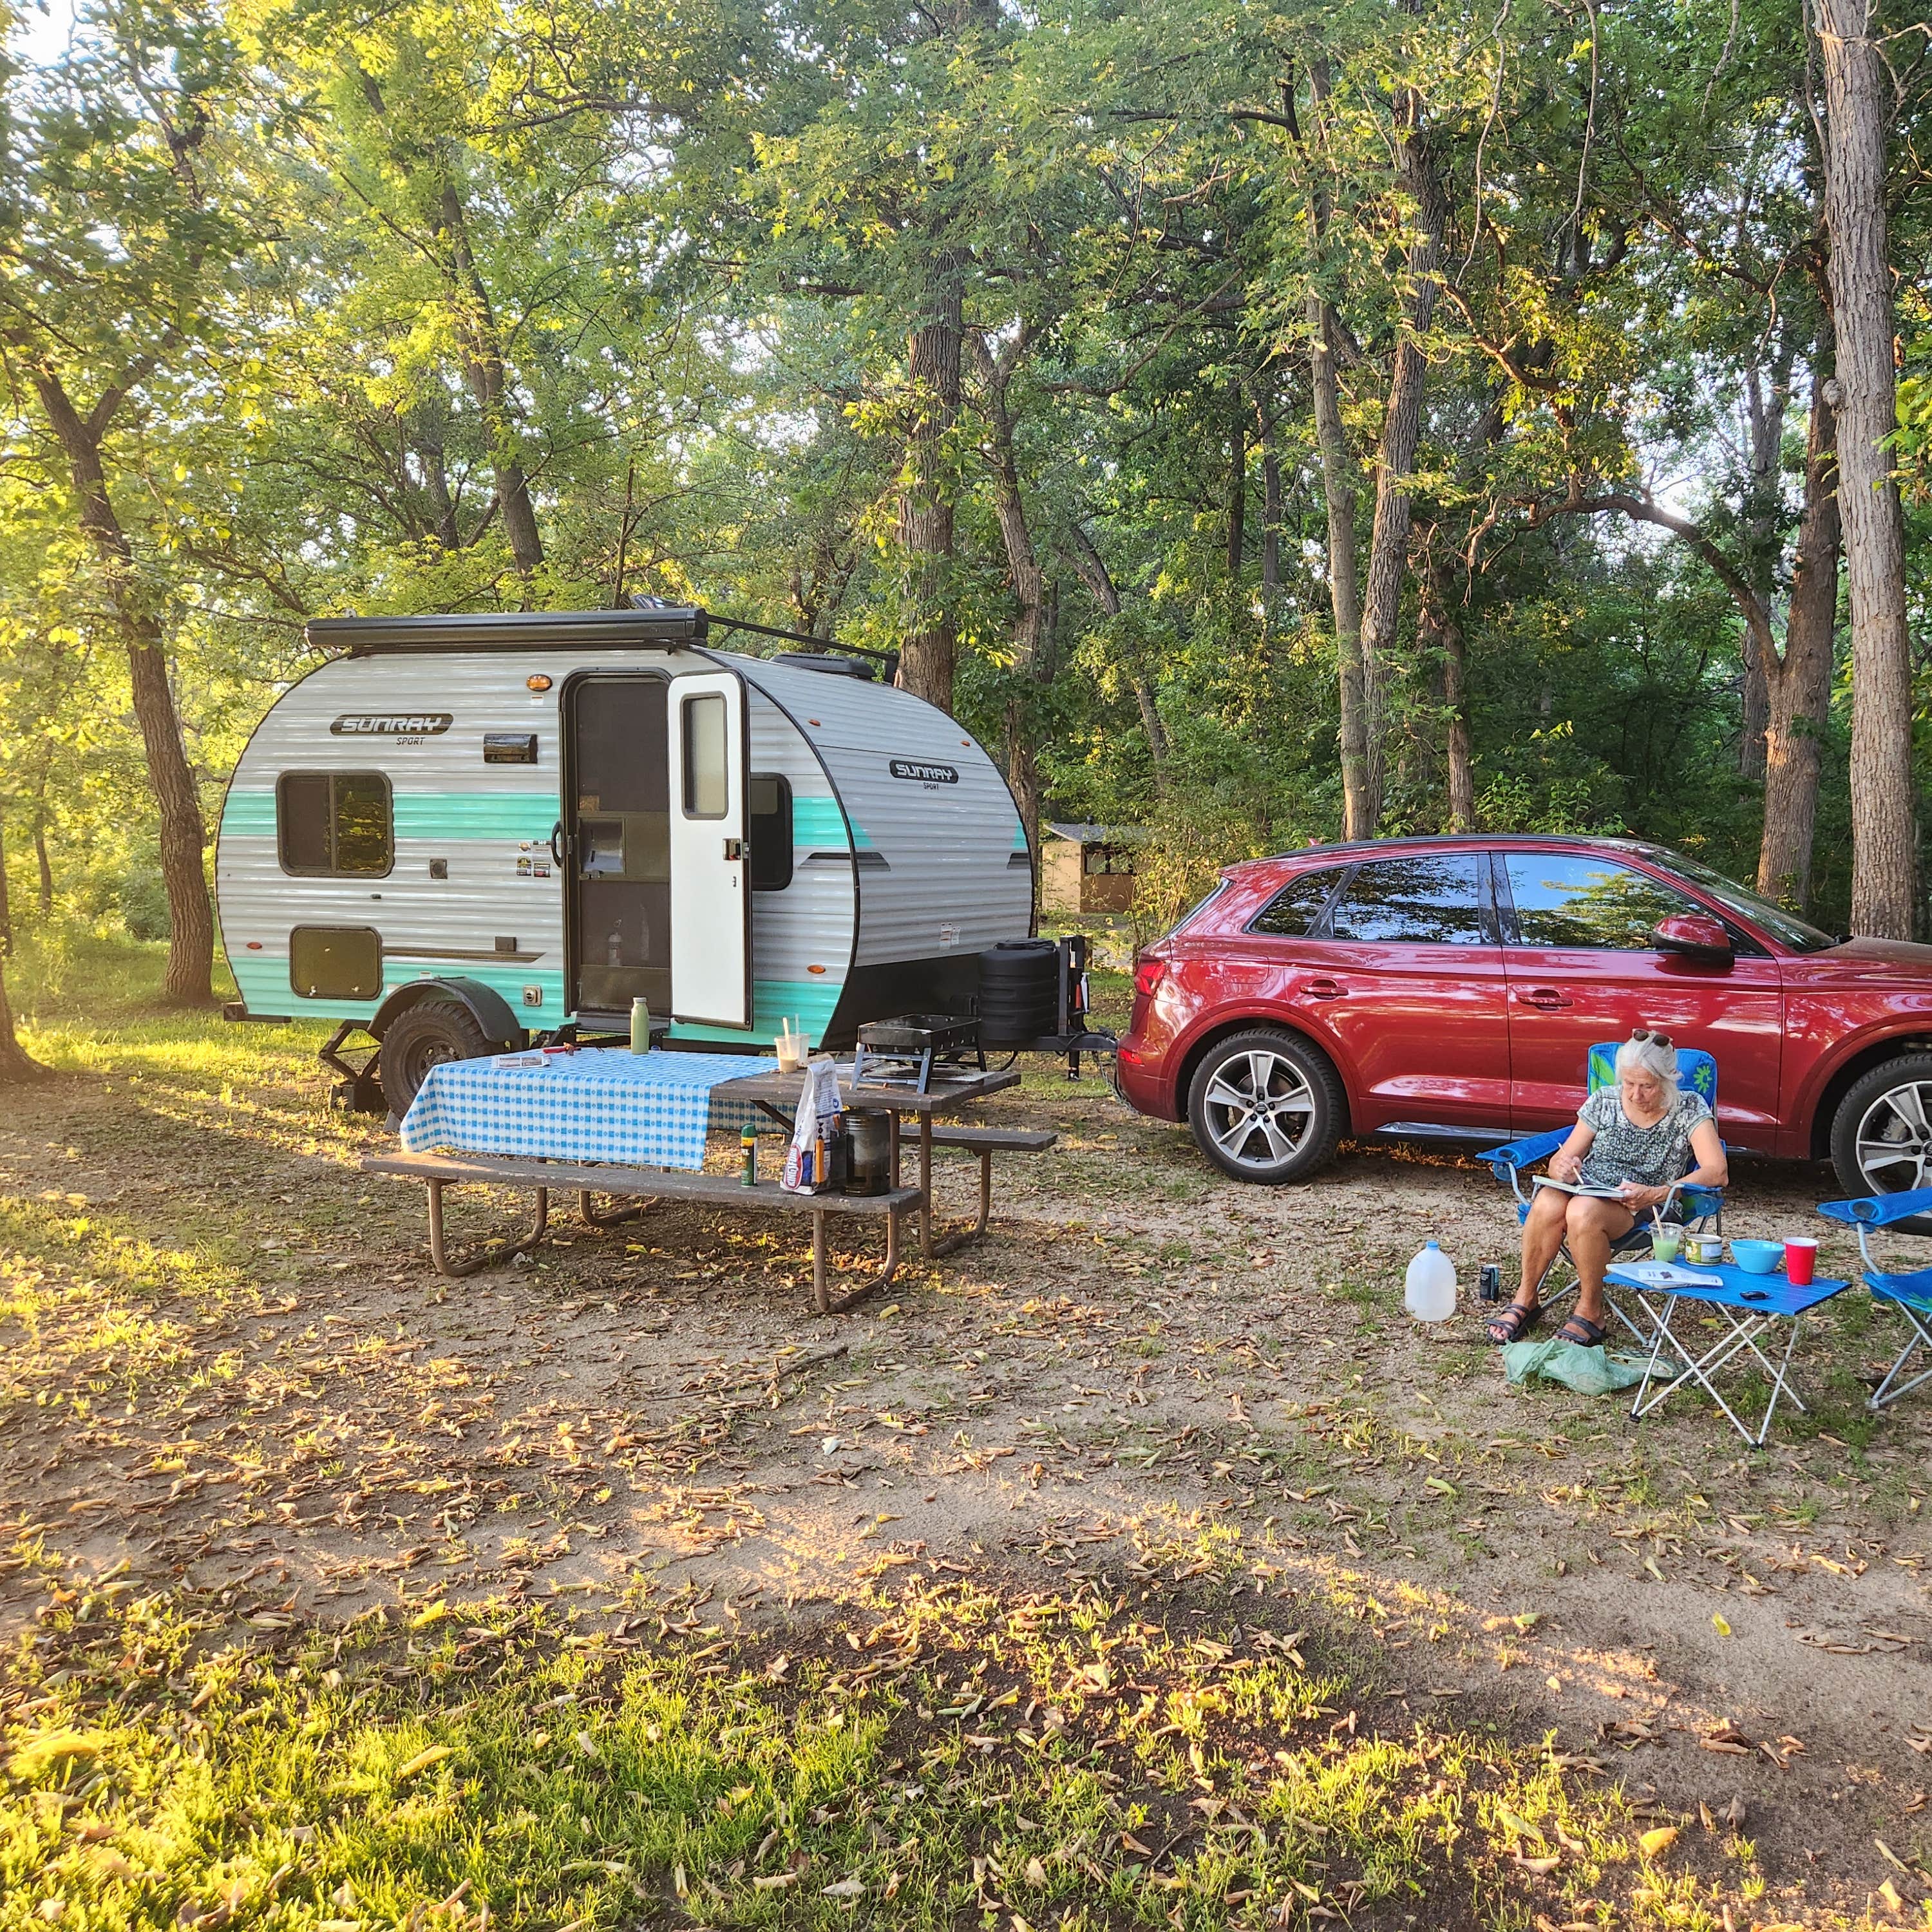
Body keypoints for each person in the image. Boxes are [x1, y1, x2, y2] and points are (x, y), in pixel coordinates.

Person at [1488, 1029, 1728, 1348]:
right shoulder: (1605, 1100)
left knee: (1583, 1210)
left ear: (1669, 1078)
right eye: (1628, 1083)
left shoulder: (1688, 1108)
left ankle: (1591, 1312)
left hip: (1647, 1203)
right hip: (1590, 1187)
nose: (1635, 1095)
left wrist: (1658, 1192)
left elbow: (1717, 1171)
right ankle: (1526, 1299)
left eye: (1647, 1086)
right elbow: (1562, 1159)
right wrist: (1562, 1167)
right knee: (1547, 1201)